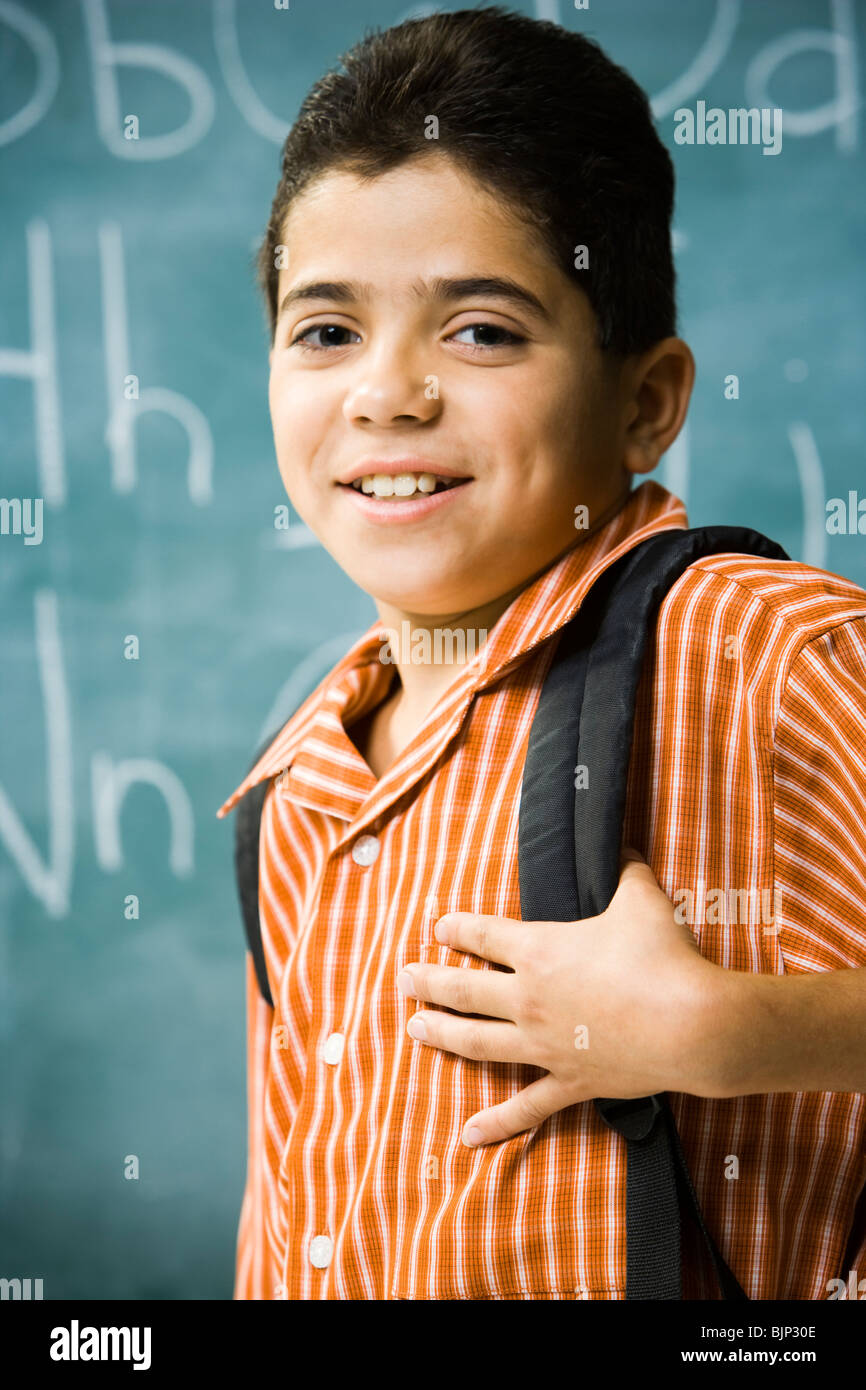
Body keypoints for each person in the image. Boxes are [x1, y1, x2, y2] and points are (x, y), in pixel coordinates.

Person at [216, 6, 866, 1300]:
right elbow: (284, 1225)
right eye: (325, 329)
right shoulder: (293, 797)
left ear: (645, 400)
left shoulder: (759, 650)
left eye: (481, 331)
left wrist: (728, 1031)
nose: (385, 394)